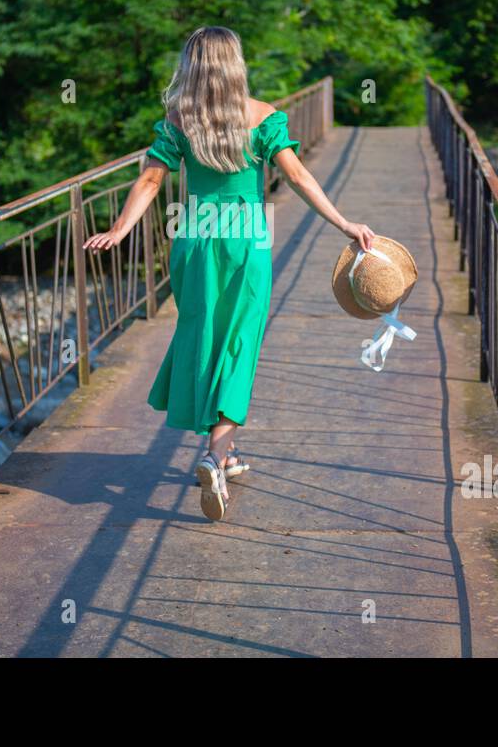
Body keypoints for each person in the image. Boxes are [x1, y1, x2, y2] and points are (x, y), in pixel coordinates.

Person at [84, 27, 374, 521]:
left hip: (194, 242)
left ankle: (225, 452)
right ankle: (217, 456)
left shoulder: (179, 120)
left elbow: (151, 180)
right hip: (245, 243)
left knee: (204, 338)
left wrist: (120, 228)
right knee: (239, 344)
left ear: (192, 65)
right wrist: (345, 224)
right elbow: (299, 178)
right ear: (235, 64)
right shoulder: (263, 117)